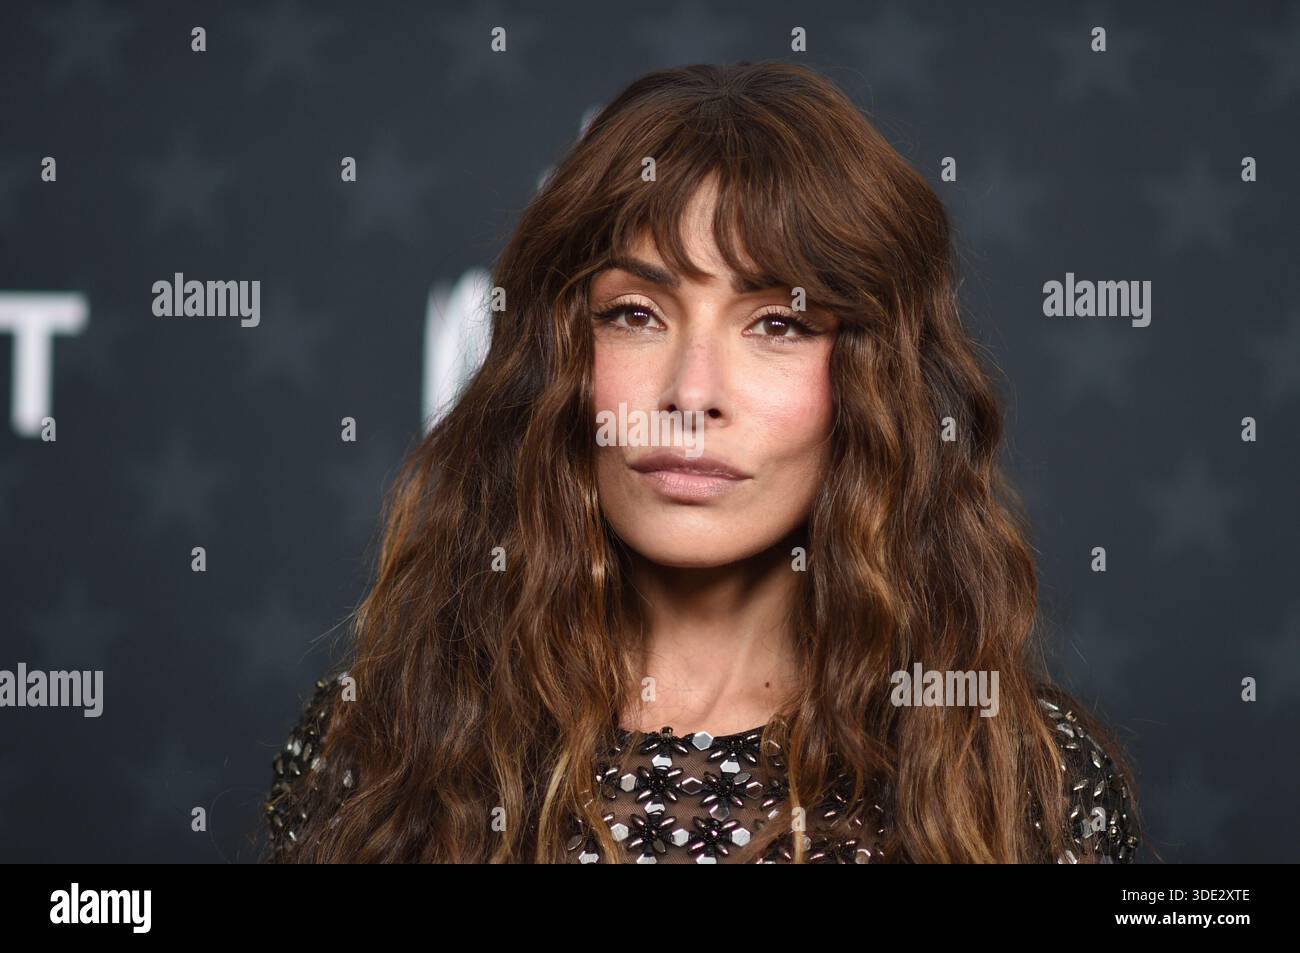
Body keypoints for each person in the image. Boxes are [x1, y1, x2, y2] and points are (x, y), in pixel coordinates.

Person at [261, 60, 1141, 864]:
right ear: (557, 363)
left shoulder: (1027, 783)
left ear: (876, 388)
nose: (692, 394)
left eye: (778, 324)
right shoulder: (377, 746)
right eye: (636, 313)